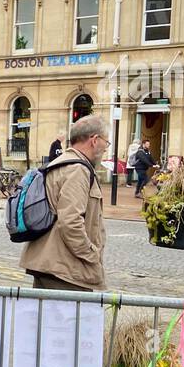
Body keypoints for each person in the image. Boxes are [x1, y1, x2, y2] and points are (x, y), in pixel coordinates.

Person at [22, 115, 109, 291]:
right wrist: (91, 254)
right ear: (94, 140)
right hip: (66, 272)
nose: (106, 149)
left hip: (51, 265)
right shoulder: (78, 170)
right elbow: (70, 222)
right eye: (106, 143)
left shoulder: (61, 162)